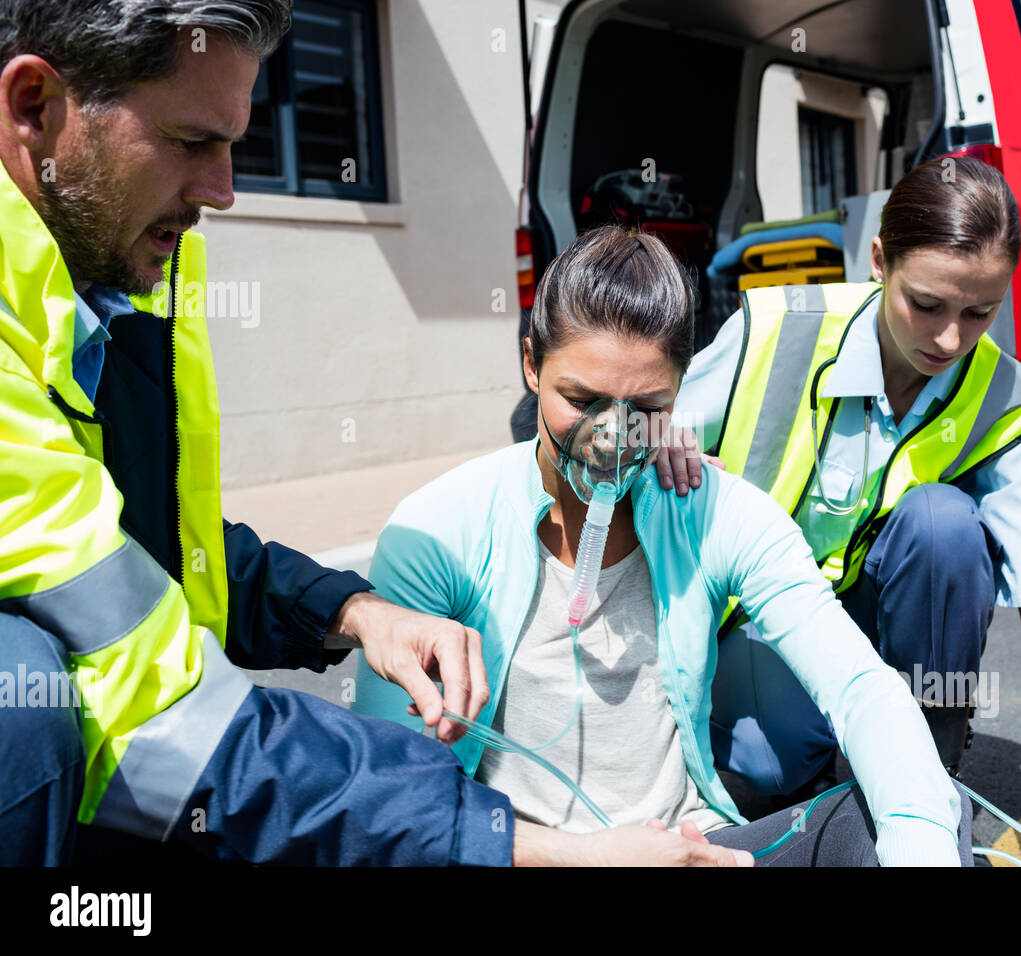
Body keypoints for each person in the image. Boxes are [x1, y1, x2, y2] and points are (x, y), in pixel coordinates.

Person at [0, 0, 745, 868]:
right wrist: (534, 848)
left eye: (237, 143)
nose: (224, 190)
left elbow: (155, 558)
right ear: (33, 106)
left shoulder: (118, 262)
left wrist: (353, 610)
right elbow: (164, 716)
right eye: (193, 140)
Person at [353, 224, 975, 866]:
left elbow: (859, 686)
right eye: (582, 399)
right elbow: (389, 797)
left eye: (645, 406)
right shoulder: (439, 530)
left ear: (680, 391)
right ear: (531, 364)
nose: (611, 437)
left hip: (690, 851)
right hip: (519, 854)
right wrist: (583, 857)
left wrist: (916, 840)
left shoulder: (711, 512)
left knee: (927, 812)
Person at [654, 156, 1021, 866]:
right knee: (765, 776)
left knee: (943, 525)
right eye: (926, 304)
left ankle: (920, 780)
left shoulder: (1007, 399)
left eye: (980, 312)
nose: (950, 340)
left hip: (877, 658)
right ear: (880, 261)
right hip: (755, 646)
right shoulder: (776, 332)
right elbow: (630, 438)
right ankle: (817, 780)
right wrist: (655, 441)